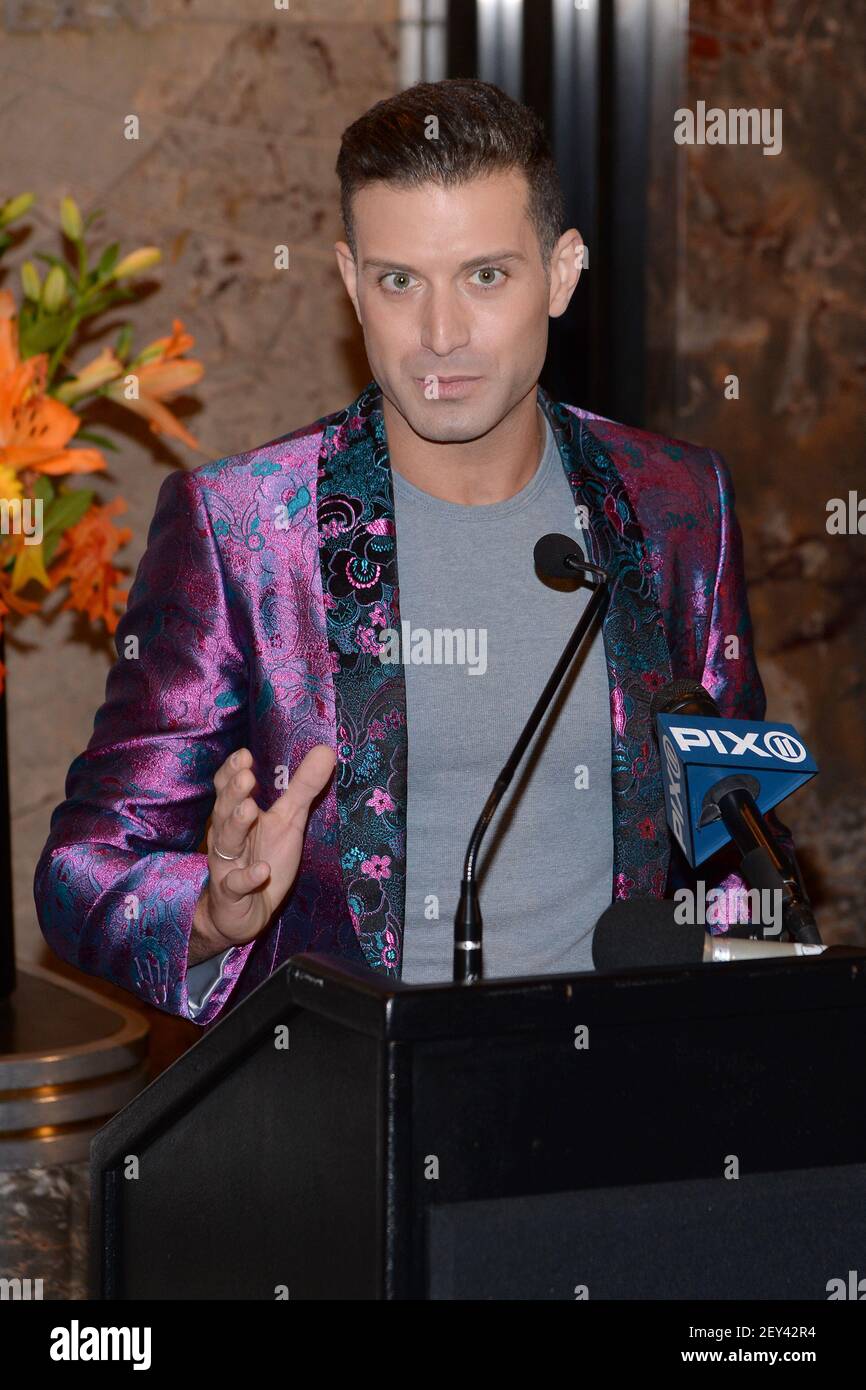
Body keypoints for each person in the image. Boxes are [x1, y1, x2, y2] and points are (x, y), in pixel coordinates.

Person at [34, 79, 802, 1026]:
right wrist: (204, 914)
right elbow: (82, 867)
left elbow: (737, 828)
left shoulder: (680, 503)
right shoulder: (243, 530)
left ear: (561, 275)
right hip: (359, 1126)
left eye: (486, 276)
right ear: (351, 282)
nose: (439, 336)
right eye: (401, 282)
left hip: (633, 1098)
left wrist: (751, 1003)